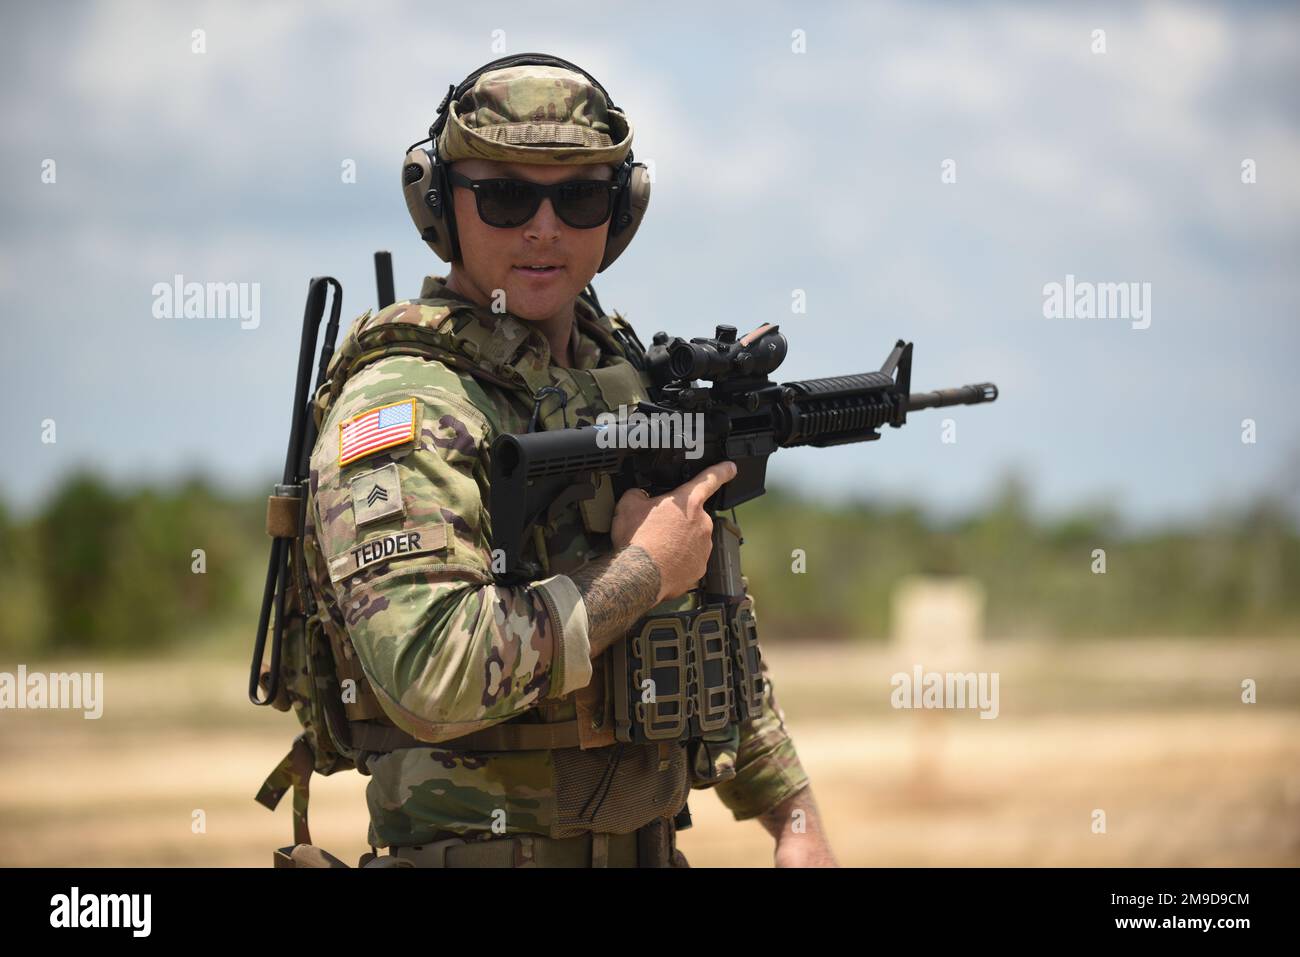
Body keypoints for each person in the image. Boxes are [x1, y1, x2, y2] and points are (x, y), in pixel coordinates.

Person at [301, 54, 836, 867]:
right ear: (440, 206)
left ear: (621, 212)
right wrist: (642, 570)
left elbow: (710, 645)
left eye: (580, 196)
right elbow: (431, 670)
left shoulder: (612, 373)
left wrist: (792, 813)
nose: (543, 228)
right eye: (508, 195)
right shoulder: (407, 403)